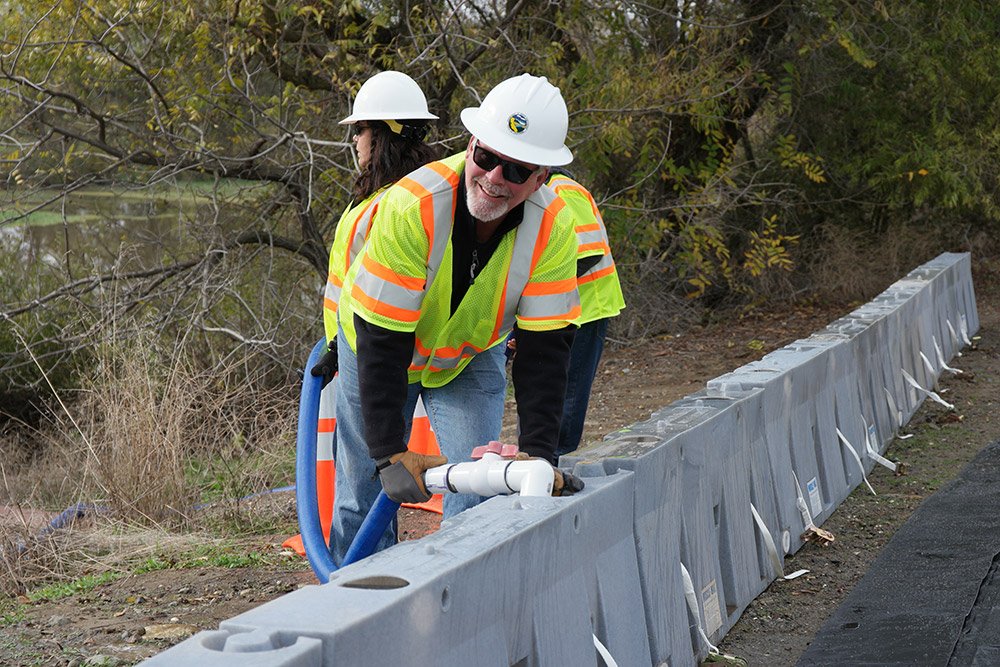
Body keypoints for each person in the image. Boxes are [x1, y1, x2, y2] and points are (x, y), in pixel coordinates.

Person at [331, 73, 584, 563]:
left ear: (540, 178)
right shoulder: (413, 207)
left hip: (466, 358)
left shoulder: (553, 229)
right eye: (486, 158)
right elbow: (382, 339)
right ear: (471, 145)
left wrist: (539, 456)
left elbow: (545, 354)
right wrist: (387, 451)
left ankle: (460, 602)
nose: (492, 178)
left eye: (514, 171)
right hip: (377, 350)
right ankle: (354, 600)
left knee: (480, 488)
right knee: (363, 497)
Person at [312, 70, 440, 381]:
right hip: (354, 351)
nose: (355, 139)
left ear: (385, 134)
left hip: (377, 360)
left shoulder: (397, 204)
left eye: (360, 129)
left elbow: (380, 290)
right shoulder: (383, 194)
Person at [545, 170, 625, 457]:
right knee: (552, 384)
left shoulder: (562, 189)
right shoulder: (546, 190)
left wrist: (541, 292)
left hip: (587, 307)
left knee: (569, 387)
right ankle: (547, 456)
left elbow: (588, 253)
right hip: (564, 308)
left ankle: (559, 458)